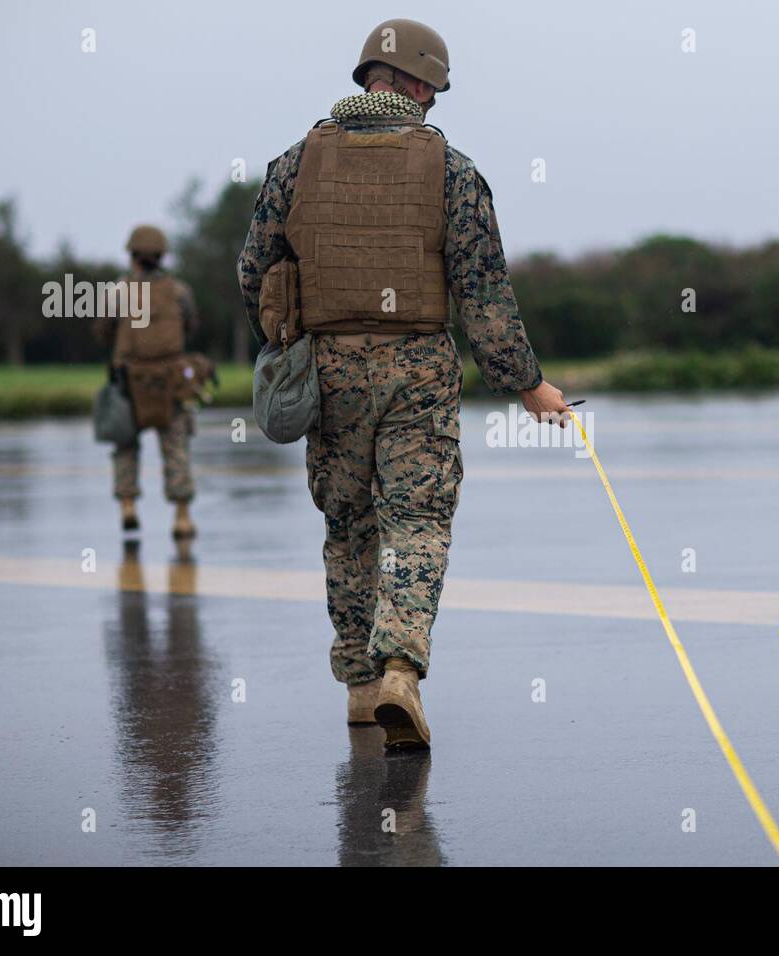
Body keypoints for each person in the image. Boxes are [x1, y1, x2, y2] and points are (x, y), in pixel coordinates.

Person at [236, 19, 569, 749]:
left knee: (348, 524)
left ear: (368, 78)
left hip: (327, 371)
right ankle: (399, 670)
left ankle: (359, 688)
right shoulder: (451, 169)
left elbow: (252, 272)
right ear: (418, 86)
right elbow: (483, 294)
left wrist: (294, 340)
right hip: (417, 368)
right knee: (416, 519)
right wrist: (530, 386)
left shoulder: (294, 164)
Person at [94, 225, 202, 540]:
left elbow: (103, 331)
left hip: (129, 380)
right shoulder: (180, 291)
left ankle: (128, 507)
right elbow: (191, 325)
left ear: (133, 257)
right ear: (161, 255)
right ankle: (182, 517)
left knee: (125, 445)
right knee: (176, 446)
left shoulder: (118, 291)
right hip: (171, 380)